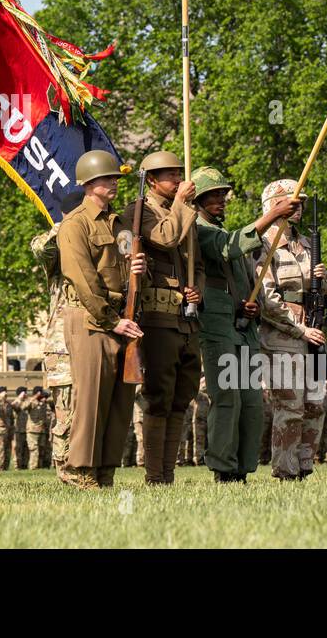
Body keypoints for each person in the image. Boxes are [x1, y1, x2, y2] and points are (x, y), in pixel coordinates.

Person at [192, 166, 299, 483]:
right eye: (212, 195)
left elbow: (240, 277)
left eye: (222, 195)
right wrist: (274, 214)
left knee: (252, 401)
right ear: (197, 199)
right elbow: (227, 248)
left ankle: (242, 467)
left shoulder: (224, 232)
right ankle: (224, 470)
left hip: (241, 328)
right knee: (227, 398)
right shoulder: (197, 230)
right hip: (216, 325)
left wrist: (248, 305)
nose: (220, 200)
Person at [56, 151, 148, 489]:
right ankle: (82, 471)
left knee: (120, 402)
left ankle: (106, 470)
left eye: (115, 179)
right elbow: (83, 279)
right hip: (93, 320)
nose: (113, 183)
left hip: (123, 318)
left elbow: (127, 269)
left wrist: (140, 269)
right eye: (108, 178)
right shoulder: (75, 224)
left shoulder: (121, 223)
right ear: (89, 183)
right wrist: (112, 321)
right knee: (92, 399)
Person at [123, 151, 204, 485]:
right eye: (171, 176)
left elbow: (195, 263)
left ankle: (169, 472)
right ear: (152, 180)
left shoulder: (186, 213)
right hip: (157, 318)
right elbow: (165, 237)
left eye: (179, 175)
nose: (178, 181)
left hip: (185, 319)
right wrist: (182, 204)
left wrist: (197, 290)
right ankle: (156, 475)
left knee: (182, 396)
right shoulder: (139, 211)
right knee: (159, 397)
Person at [256, 179, 327, 480]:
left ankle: (304, 466)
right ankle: (285, 471)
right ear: (275, 205)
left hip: (313, 335)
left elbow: (323, 294)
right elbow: (267, 299)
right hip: (283, 339)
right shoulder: (264, 244)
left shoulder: (307, 244)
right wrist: (300, 330)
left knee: (315, 405)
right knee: (290, 406)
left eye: (300, 203)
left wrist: (323, 281)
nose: (298, 208)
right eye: (292, 202)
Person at [29, 189, 85, 472]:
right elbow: (40, 248)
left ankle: (84, 465)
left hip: (90, 338)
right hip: (62, 345)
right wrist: (69, 221)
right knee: (66, 413)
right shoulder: (58, 245)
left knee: (86, 411)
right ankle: (66, 469)